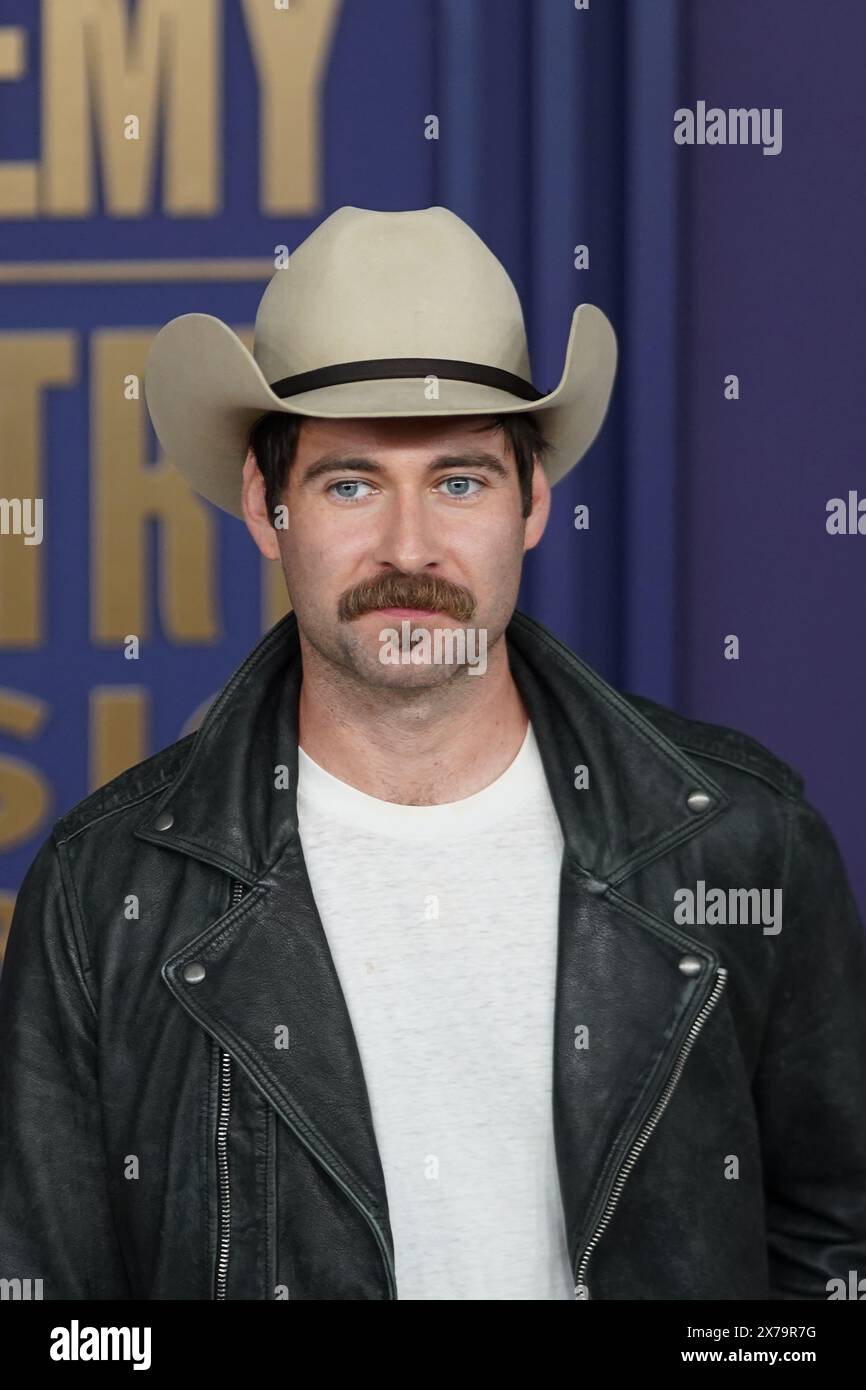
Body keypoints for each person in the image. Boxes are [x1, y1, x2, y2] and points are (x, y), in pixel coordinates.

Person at [1, 206, 864, 1301]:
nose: (408, 547)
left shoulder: (740, 840)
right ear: (265, 511)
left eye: (458, 481)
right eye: (349, 484)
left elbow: (834, 1246)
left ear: (532, 505)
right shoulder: (104, 890)